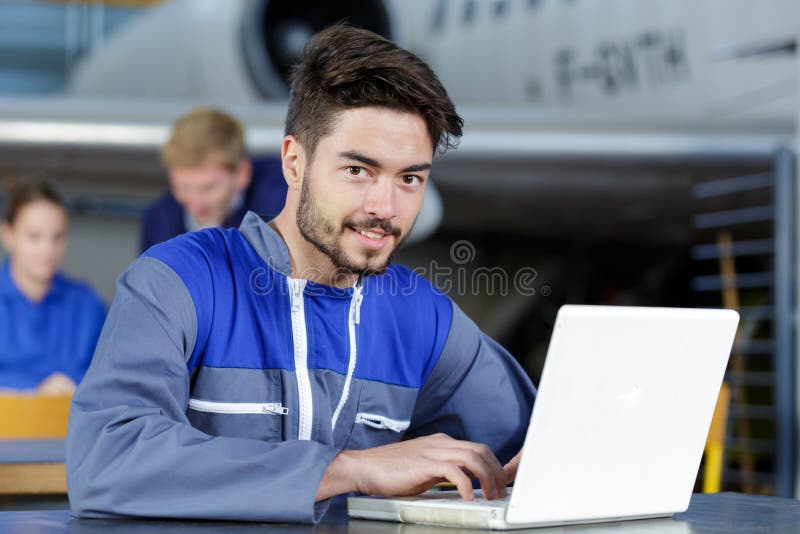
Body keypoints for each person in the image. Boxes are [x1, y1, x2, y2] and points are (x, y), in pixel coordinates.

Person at [67, 25, 536, 523]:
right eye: (358, 170)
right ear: (294, 161)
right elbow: (106, 458)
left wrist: (565, 454)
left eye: (410, 179)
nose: (384, 207)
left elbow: (535, 439)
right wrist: (350, 469)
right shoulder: (176, 280)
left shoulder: (422, 318)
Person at [0, 182, 106, 395]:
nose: (47, 250)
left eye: (57, 237)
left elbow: (114, 374)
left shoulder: (87, 305)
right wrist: (30, 391)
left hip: (69, 426)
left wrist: (74, 382)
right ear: (7, 235)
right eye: (34, 236)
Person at [139, 107, 288, 252]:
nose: (196, 206)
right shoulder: (159, 219)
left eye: (207, 188)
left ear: (242, 174)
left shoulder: (282, 198)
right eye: (183, 187)